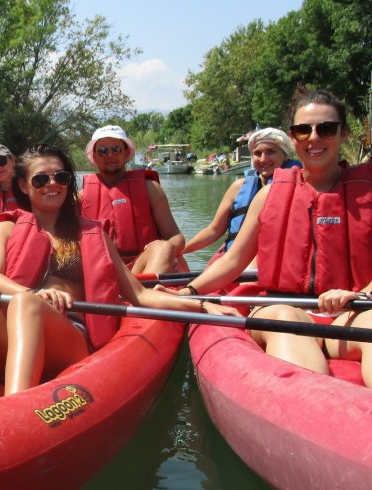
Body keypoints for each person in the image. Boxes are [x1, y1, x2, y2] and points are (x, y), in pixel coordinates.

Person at [0, 144, 239, 420]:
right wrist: (34, 293)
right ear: (24, 186)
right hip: (9, 338)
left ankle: (10, 419)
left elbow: (139, 295)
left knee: (27, 305)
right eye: (41, 178)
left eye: (61, 176)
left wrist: (204, 303)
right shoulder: (6, 229)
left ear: (70, 182)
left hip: (69, 339)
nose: (52, 184)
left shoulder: (90, 234)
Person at [174, 89, 371, 387]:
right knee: (284, 320)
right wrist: (189, 291)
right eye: (303, 130)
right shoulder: (268, 195)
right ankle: (310, 410)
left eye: (326, 129)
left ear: (343, 134)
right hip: (284, 307)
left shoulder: (367, 194)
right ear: (293, 138)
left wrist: (362, 295)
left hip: (351, 311)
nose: (313, 138)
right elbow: (234, 260)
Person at [184, 128, 301, 266]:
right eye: (257, 153)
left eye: (271, 152)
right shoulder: (238, 187)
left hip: (268, 264)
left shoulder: (299, 188)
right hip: (233, 261)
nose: (263, 159)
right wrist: (181, 251)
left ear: (285, 156)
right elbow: (214, 230)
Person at [79, 125, 186, 274]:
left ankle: (142, 293)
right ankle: (140, 294)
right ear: (95, 157)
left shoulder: (152, 189)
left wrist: (165, 251)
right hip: (101, 271)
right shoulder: (80, 197)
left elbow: (176, 237)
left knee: (164, 247)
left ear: (126, 152)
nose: (109, 155)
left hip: (145, 267)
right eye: (102, 151)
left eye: (116, 149)